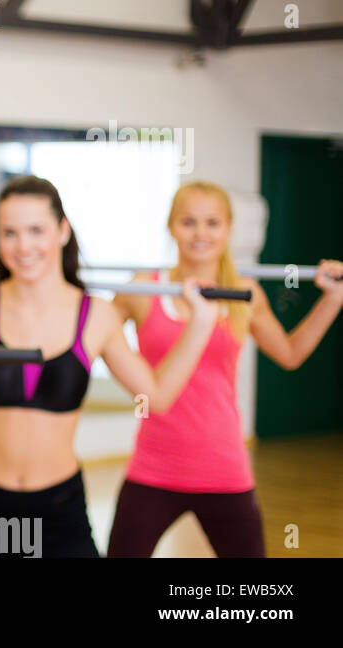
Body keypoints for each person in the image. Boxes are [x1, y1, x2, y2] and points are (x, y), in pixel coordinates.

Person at [0, 175, 218, 558]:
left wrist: (200, 325)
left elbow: (156, 397)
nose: (23, 246)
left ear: (62, 230)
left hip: (58, 507)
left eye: (36, 231)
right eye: (9, 233)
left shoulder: (95, 315)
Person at [107, 181, 343, 558]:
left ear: (228, 229)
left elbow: (290, 354)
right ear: (171, 226)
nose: (200, 233)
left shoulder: (245, 292)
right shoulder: (143, 289)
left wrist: (334, 300)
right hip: (153, 467)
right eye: (189, 222)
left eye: (212, 223)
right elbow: (93, 335)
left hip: (223, 466)